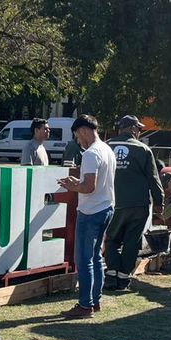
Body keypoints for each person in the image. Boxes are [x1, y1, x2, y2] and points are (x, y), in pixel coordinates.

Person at [58, 115, 115, 318]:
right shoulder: (107, 149)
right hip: (106, 207)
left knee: (83, 259)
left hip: (91, 211)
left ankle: (85, 305)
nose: (78, 141)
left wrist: (73, 186)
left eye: (77, 136)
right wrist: (78, 182)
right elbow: (94, 183)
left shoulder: (91, 154)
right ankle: (95, 300)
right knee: (96, 257)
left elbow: (89, 187)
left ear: (82, 130)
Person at [104, 115, 163, 291]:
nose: (139, 132)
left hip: (112, 203)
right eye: (138, 129)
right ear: (132, 129)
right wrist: (159, 202)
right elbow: (153, 178)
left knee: (111, 239)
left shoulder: (106, 146)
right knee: (131, 242)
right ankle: (123, 279)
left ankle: (111, 275)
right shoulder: (143, 149)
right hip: (138, 205)